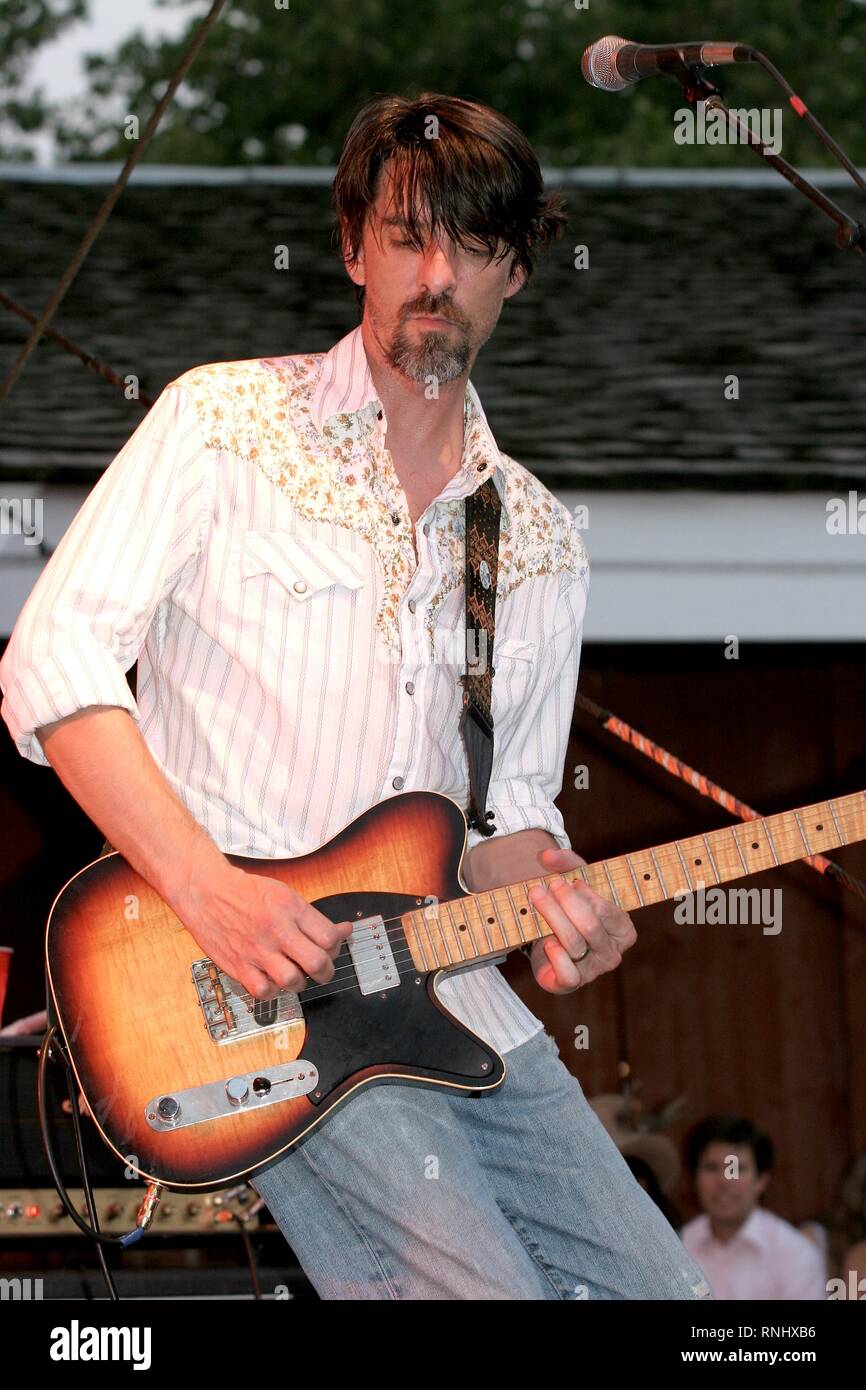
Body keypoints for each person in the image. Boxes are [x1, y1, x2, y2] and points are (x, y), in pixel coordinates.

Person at [0, 91, 712, 1301]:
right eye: (404, 237)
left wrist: (555, 901)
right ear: (351, 248)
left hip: (455, 1003)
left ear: (515, 273)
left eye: (474, 245)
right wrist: (208, 887)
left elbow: (503, 819)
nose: (435, 275)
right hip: (253, 998)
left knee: (670, 1301)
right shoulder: (221, 425)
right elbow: (51, 665)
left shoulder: (534, 537)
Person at [680, 1114, 826, 1300]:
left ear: (761, 1180)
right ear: (694, 1177)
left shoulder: (796, 1254)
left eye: (737, 1169)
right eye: (711, 1168)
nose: (724, 1181)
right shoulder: (677, 1246)